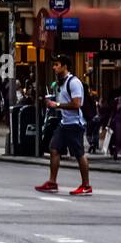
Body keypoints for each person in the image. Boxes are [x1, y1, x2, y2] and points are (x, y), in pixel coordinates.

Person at [36, 56, 92, 195]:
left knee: (79, 153)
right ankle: (52, 182)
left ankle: (86, 185)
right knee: (54, 149)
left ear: (65, 66)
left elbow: (77, 104)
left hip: (74, 124)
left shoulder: (74, 82)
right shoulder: (60, 83)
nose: (54, 67)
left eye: (57, 65)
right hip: (64, 123)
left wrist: (57, 105)